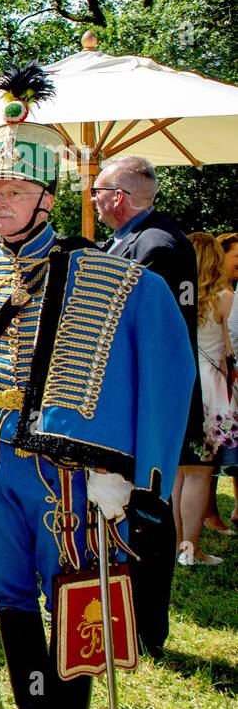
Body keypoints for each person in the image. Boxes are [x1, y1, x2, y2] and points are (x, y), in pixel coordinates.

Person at [0, 64, 191, 709]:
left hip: (67, 468)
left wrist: (128, 470)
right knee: (7, 589)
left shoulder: (101, 271)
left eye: (15, 190)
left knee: (72, 599)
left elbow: (162, 366)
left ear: (47, 197)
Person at [93, 153, 202, 654]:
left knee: (148, 509)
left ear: (118, 197)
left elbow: (130, 333)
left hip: (147, 401)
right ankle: (125, 613)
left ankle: (144, 627)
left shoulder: (154, 245)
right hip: (133, 398)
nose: (93, 200)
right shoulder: (143, 237)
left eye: (98, 191)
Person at [175, 232, 233, 566]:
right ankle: (191, 550)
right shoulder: (225, 297)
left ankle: (175, 548)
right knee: (199, 474)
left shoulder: (174, 294)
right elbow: (229, 350)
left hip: (178, 386)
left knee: (177, 475)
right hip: (210, 392)